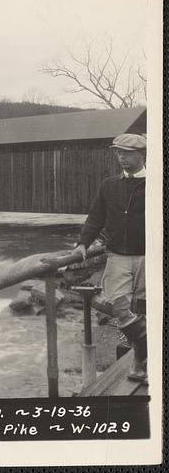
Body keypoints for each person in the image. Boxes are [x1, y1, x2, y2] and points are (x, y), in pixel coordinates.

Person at [74, 133, 146, 383]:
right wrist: (83, 243)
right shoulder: (108, 185)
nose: (122, 157)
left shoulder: (157, 183)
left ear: (141, 154)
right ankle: (151, 353)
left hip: (150, 257)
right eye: (118, 153)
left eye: (127, 153)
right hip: (117, 257)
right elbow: (95, 218)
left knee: (145, 309)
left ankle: (140, 362)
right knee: (120, 308)